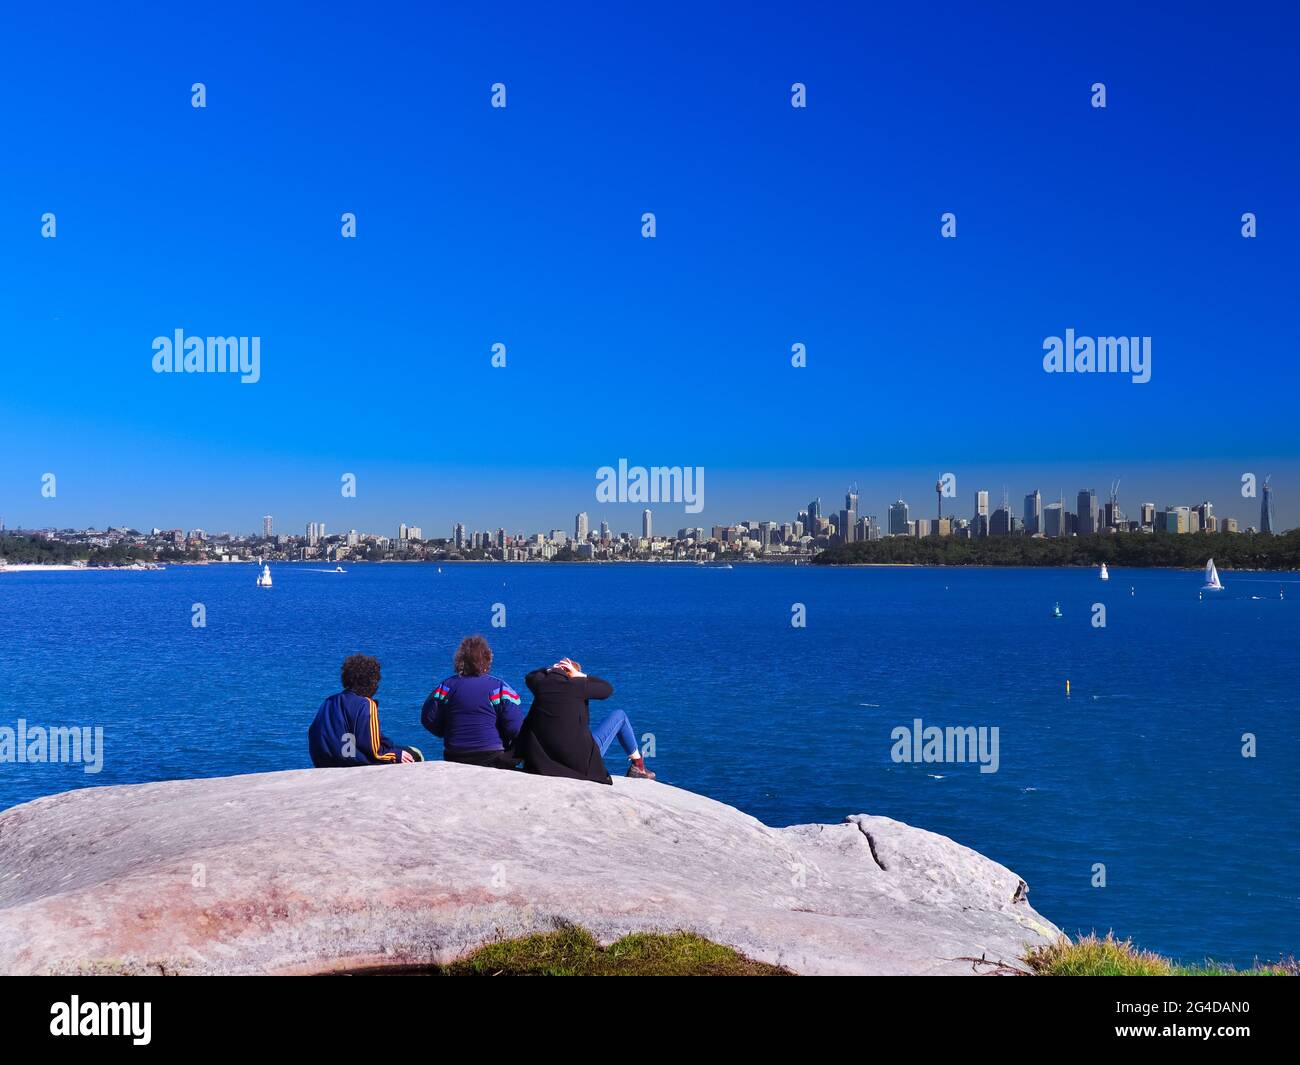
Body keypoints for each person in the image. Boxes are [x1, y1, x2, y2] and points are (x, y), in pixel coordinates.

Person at [515, 657, 655, 783]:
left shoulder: (540, 686)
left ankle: (638, 766)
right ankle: (639, 766)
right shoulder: (578, 686)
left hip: (543, 761)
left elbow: (530, 676)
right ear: (571, 675)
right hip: (578, 760)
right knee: (620, 716)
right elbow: (607, 689)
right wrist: (581, 676)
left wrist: (552, 669)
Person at [422, 635, 523, 769]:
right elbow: (516, 728)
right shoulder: (499, 688)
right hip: (492, 757)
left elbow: (428, 718)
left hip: (454, 755)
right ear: (487, 659)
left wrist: (446, 731)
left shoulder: (446, 687)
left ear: (460, 660)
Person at [308, 653, 418, 767]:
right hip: (349, 762)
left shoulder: (328, 701)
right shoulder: (366, 704)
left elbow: (315, 733)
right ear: (372, 682)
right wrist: (396, 754)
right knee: (414, 753)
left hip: (323, 762)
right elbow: (374, 750)